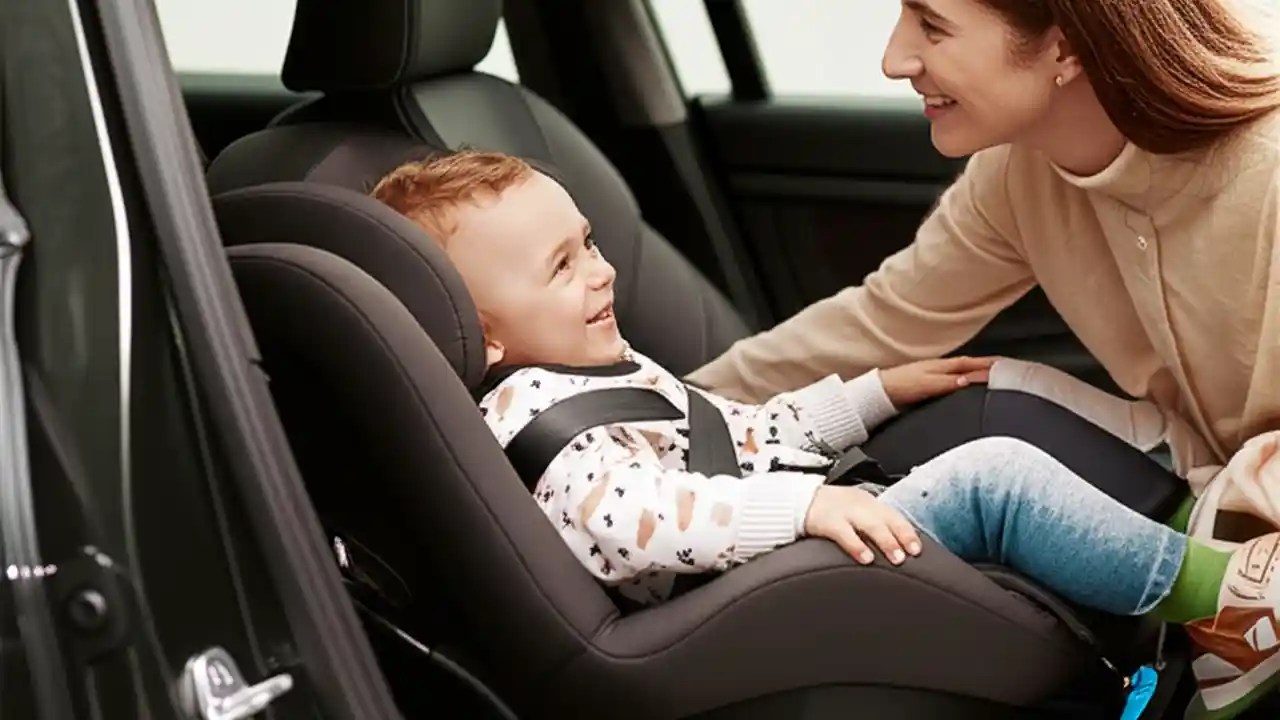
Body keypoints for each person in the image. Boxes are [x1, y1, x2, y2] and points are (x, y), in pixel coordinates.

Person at [372, 150, 1280, 719]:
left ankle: (1200, 574)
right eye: (561, 267)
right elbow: (645, 521)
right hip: (752, 592)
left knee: (989, 425)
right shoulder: (540, 427)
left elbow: (741, 431)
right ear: (481, 332)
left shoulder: (593, 366)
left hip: (777, 553)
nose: (601, 273)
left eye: (590, 242)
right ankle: (1229, 607)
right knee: (994, 478)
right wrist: (803, 505)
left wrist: (875, 393)